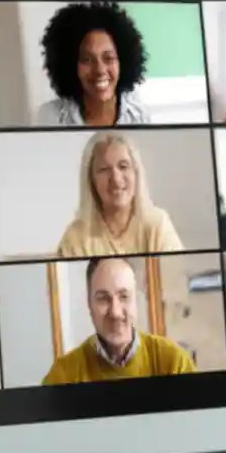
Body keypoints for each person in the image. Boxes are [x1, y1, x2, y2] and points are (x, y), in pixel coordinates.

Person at [41, 257, 197, 384]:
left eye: (124, 296)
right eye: (103, 299)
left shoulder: (174, 363)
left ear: (136, 301)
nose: (115, 312)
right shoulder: (63, 375)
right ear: (89, 304)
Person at [56, 132, 183, 257]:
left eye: (123, 166)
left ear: (136, 173)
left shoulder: (157, 224)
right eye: (104, 169)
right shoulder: (75, 238)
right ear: (91, 180)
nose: (116, 179)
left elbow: (176, 275)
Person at [35, 2, 151, 126]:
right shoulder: (50, 118)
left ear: (122, 62)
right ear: (71, 66)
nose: (100, 70)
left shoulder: (139, 117)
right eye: (87, 60)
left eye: (108, 58)